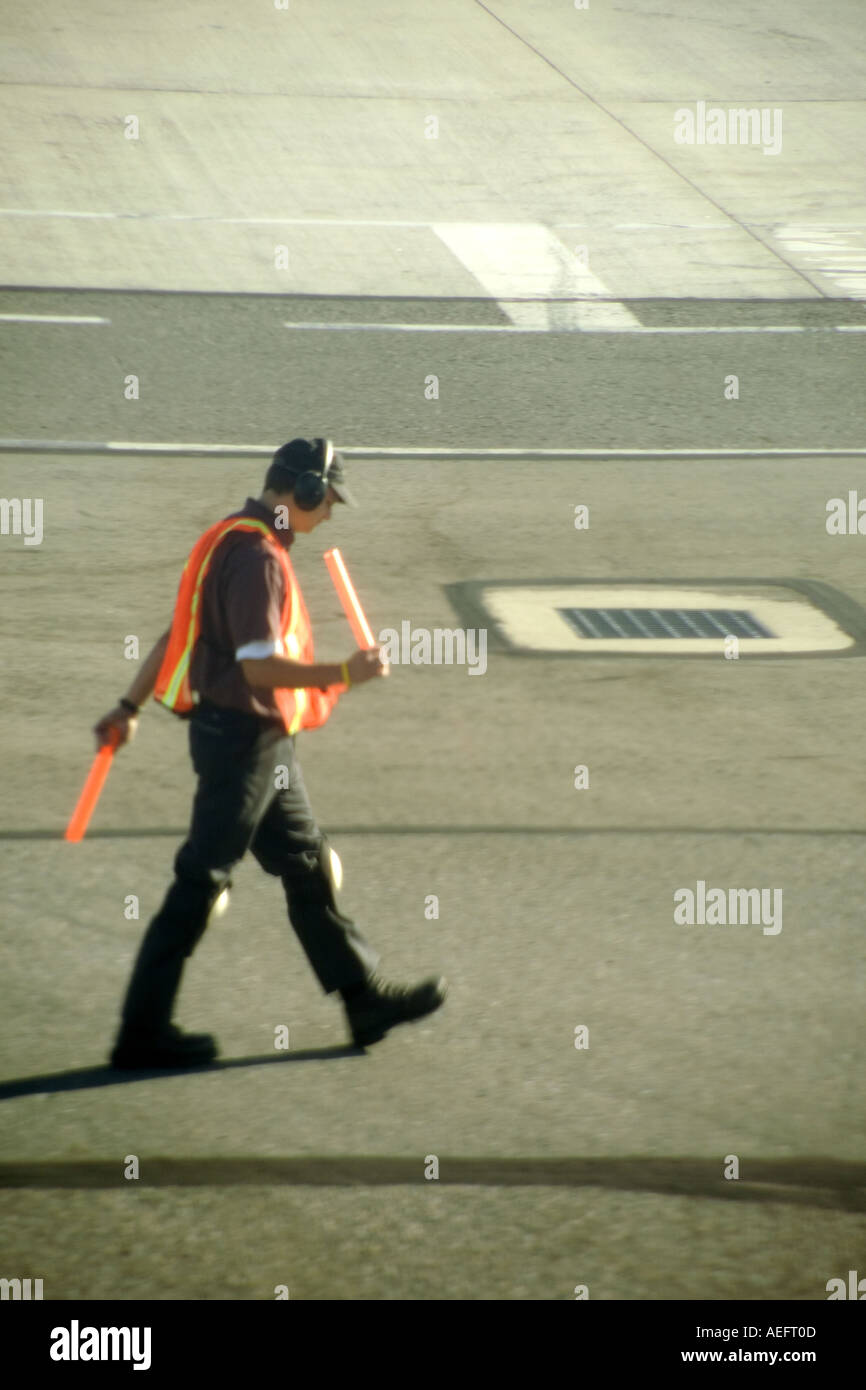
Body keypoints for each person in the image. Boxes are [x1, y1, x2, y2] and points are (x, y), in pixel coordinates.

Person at [94, 437, 447, 1069]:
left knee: (306, 862)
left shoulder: (226, 537)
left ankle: (362, 1000)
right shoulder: (257, 558)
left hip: (261, 742)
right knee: (201, 878)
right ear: (303, 492)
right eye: (328, 500)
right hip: (241, 742)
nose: (330, 513)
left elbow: (178, 633)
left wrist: (127, 707)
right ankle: (140, 1032)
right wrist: (345, 672)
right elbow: (257, 669)